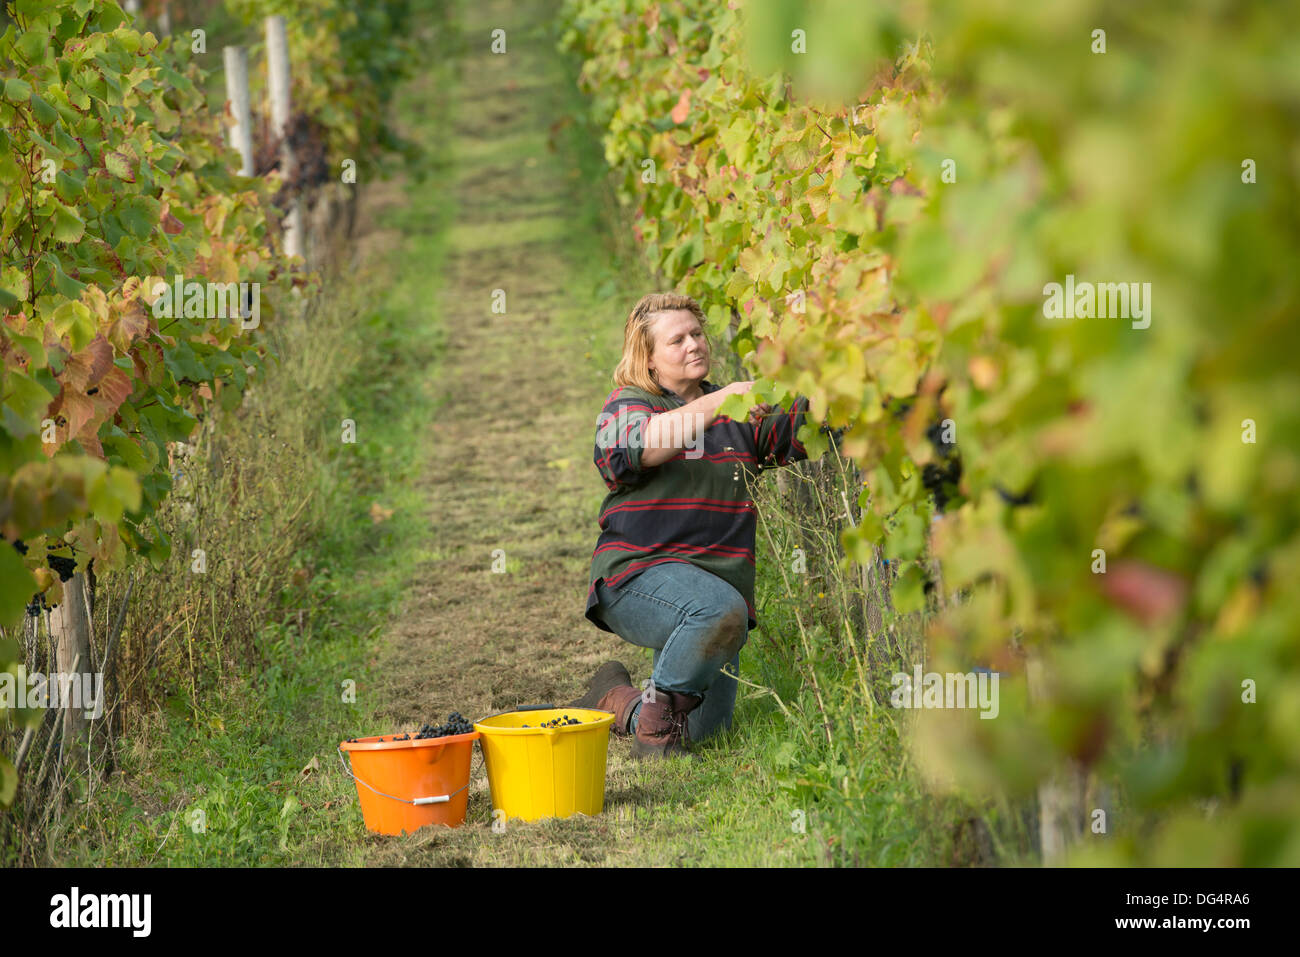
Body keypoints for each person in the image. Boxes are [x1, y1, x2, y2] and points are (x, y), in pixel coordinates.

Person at [569, 292, 813, 759]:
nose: (693, 344)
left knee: (703, 733)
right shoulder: (628, 405)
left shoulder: (739, 413)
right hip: (636, 578)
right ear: (649, 358)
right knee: (717, 610)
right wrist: (723, 400)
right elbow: (637, 448)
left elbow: (804, 428)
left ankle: (618, 701)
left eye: (696, 334)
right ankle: (653, 741)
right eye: (676, 340)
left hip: (714, 595)